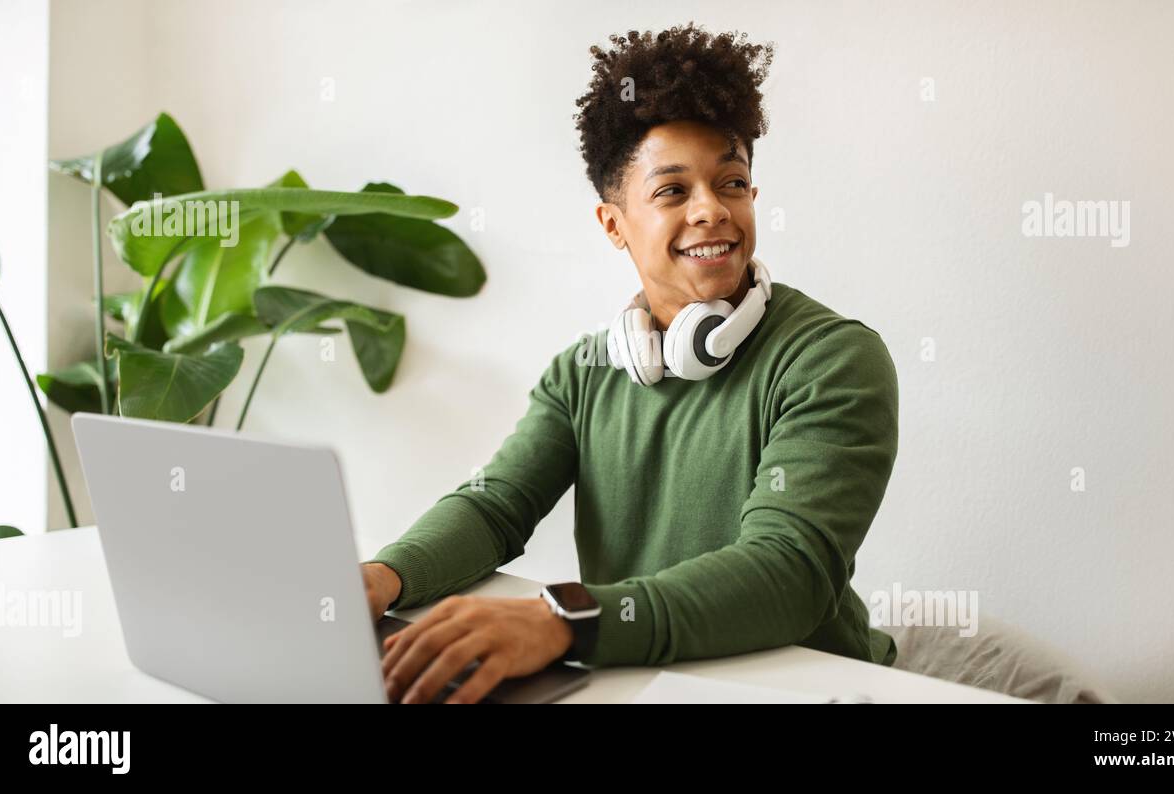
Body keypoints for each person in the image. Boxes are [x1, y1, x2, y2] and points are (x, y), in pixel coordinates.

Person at [365, 22, 900, 704]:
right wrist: (385, 575)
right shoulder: (582, 372)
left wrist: (564, 619)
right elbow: (498, 506)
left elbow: (788, 572)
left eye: (731, 183)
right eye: (673, 191)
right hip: (644, 681)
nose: (712, 210)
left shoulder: (832, 358)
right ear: (613, 224)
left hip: (805, 687)